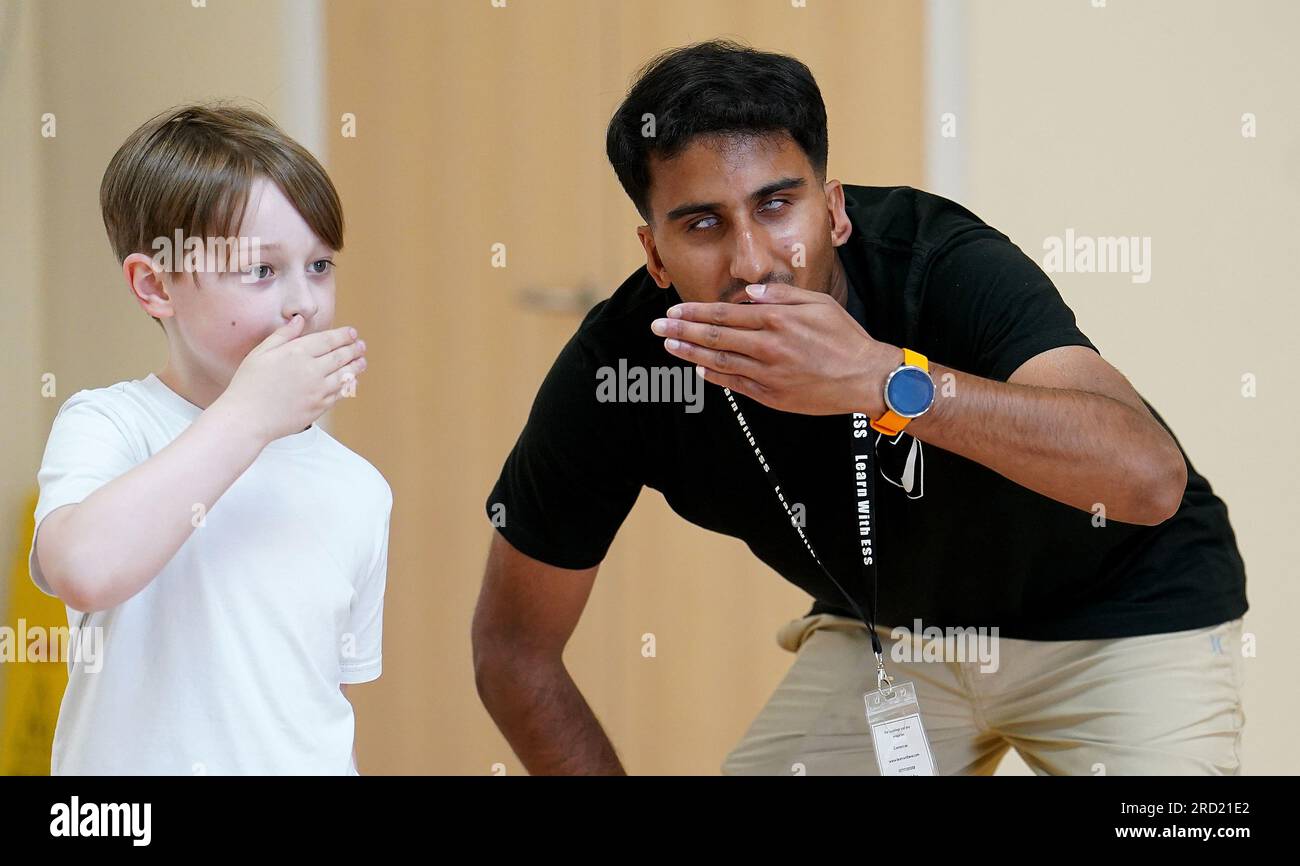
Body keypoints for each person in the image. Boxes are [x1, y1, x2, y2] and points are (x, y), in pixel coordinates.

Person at [473, 40, 1247, 775]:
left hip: (1121, 616)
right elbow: (514, 650)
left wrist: (885, 380)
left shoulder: (939, 262)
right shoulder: (622, 366)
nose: (751, 263)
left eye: (776, 205)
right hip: (891, 634)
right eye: (702, 224)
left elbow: (1147, 479)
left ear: (834, 211)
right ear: (654, 255)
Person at [28, 103, 390, 775]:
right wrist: (248, 417)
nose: (303, 303)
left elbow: (316, 705)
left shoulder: (357, 489)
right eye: (261, 270)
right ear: (155, 285)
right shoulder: (110, 425)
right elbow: (83, 570)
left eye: (319, 266)